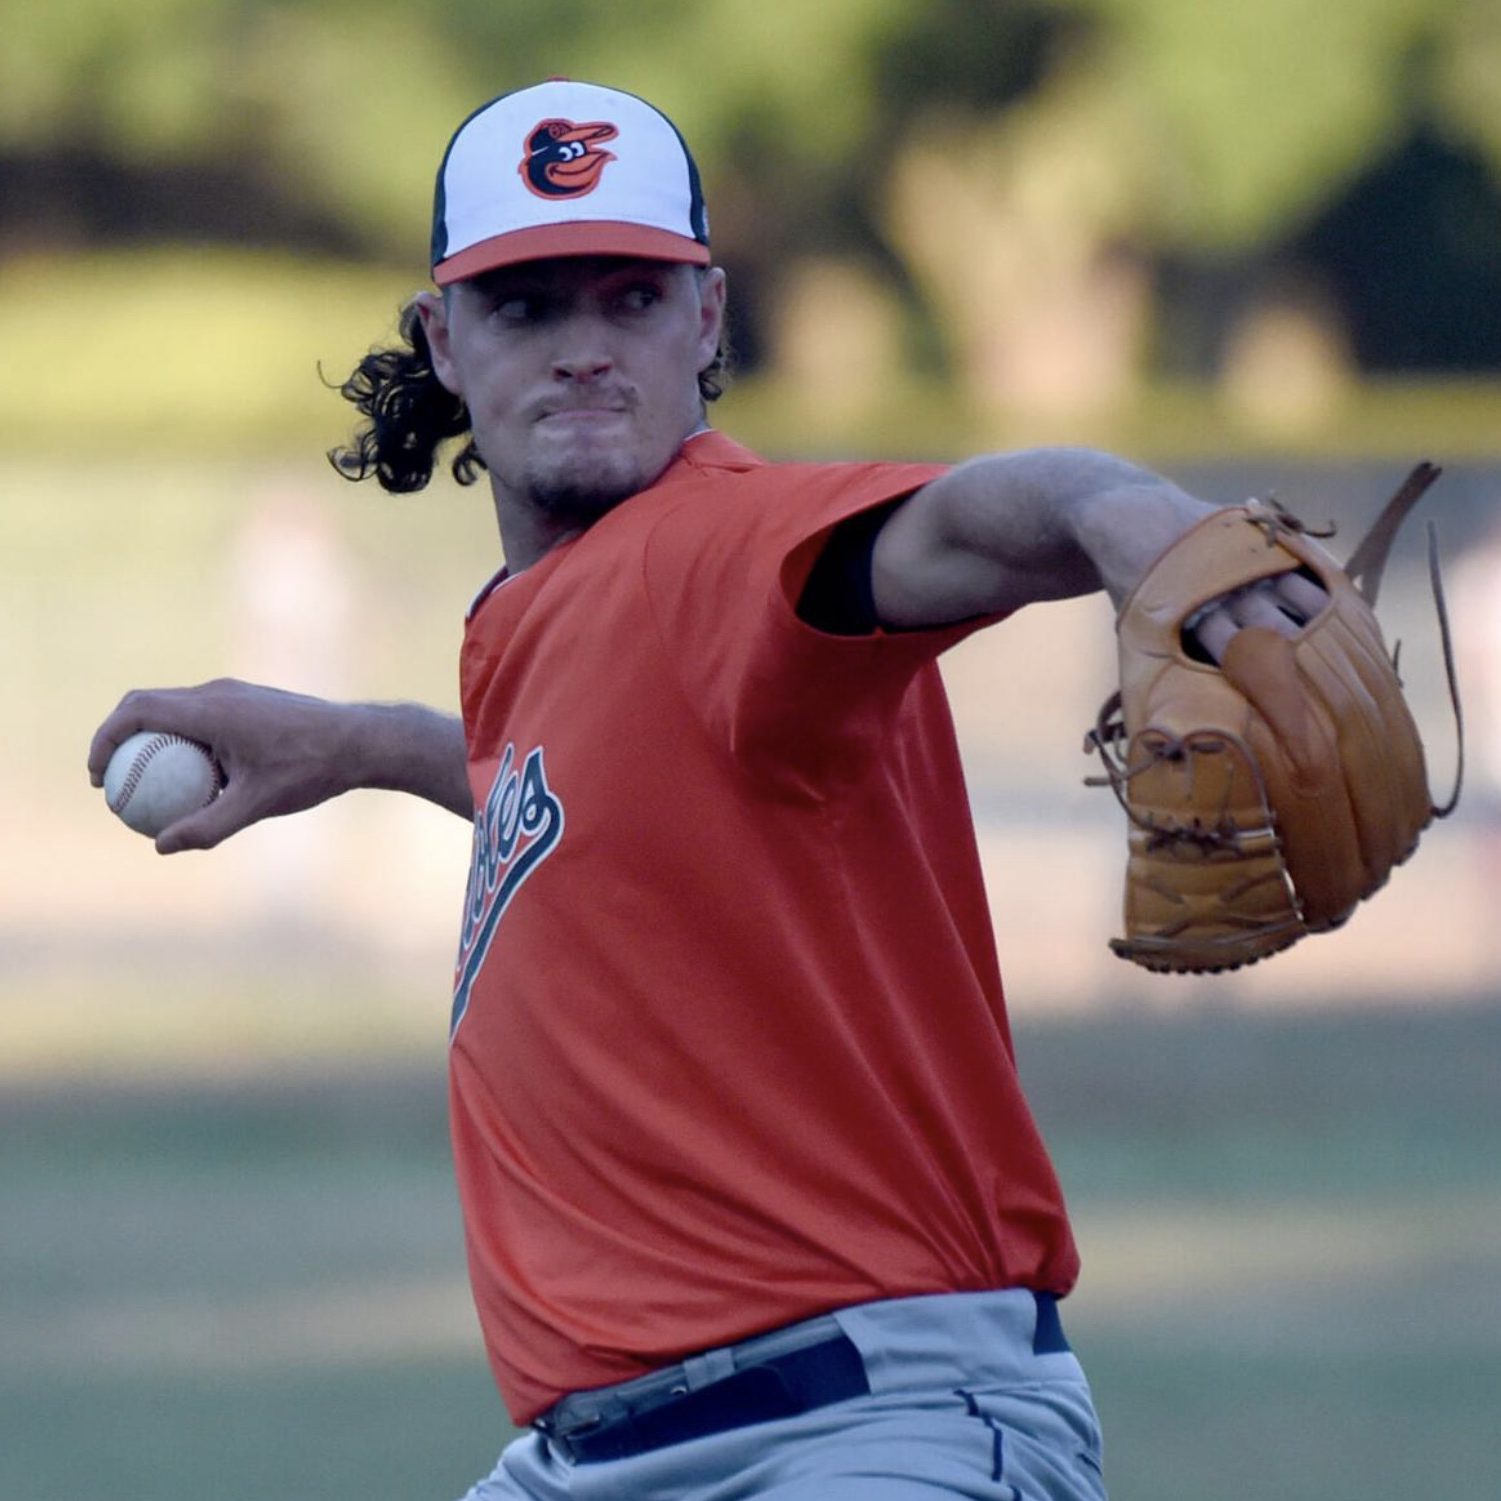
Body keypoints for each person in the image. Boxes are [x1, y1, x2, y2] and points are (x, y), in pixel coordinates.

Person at [89, 79, 1325, 1500]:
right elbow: (592, 804)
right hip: (583, 1459)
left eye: (631, 298)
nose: (584, 349)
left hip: (866, 1434)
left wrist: (1121, 513)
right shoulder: (548, 621)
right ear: (443, 340)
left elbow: (972, 520)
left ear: (707, 320)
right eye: (527, 306)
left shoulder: (727, 547)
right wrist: (362, 742)